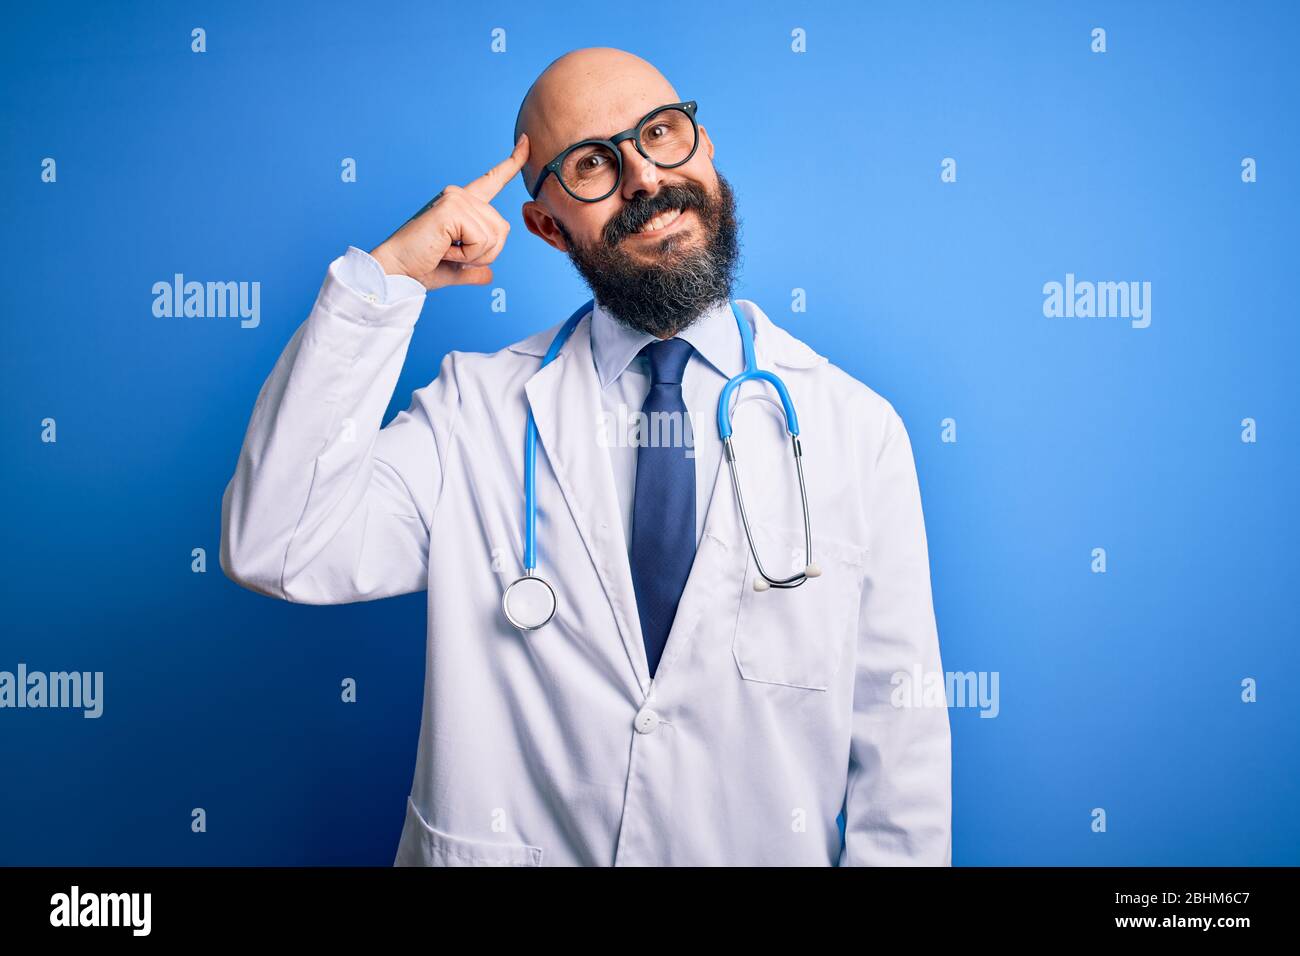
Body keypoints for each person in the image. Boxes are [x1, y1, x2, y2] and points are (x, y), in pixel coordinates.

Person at [220, 46, 952, 866]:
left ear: (705, 151)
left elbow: (901, 753)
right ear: (546, 225)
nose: (644, 177)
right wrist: (387, 280)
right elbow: (277, 542)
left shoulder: (855, 428)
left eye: (663, 133)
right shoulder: (475, 413)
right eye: (596, 163)